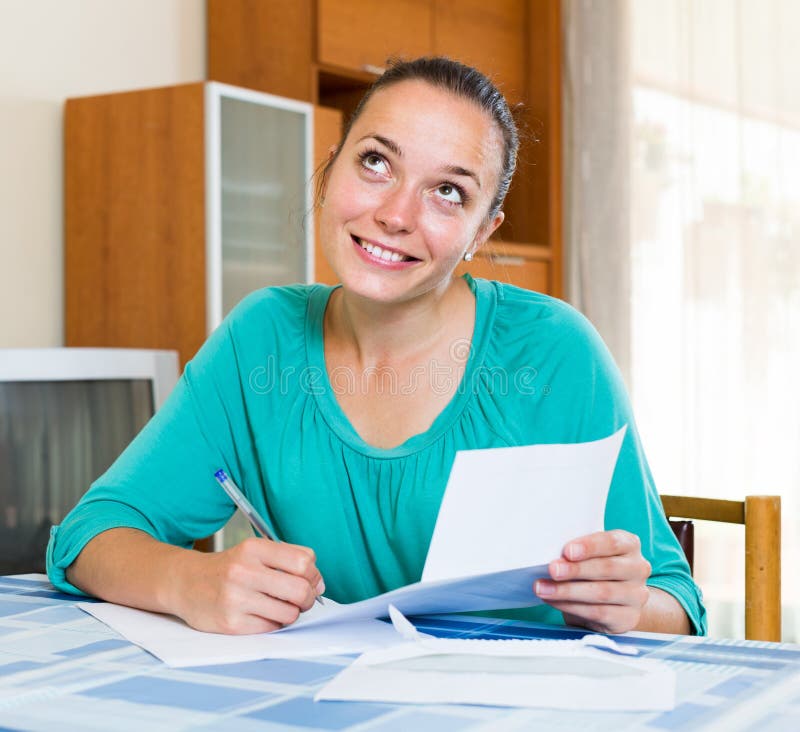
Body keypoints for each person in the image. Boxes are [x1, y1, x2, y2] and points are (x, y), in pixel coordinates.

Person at [47, 57, 706, 637]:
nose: (395, 214)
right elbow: (87, 536)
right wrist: (187, 581)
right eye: (375, 162)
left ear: (483, 230)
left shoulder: (556, 353)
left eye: (448, 193)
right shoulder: (260, 343)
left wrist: (626, 604)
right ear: (331, 169)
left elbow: (677, 604)